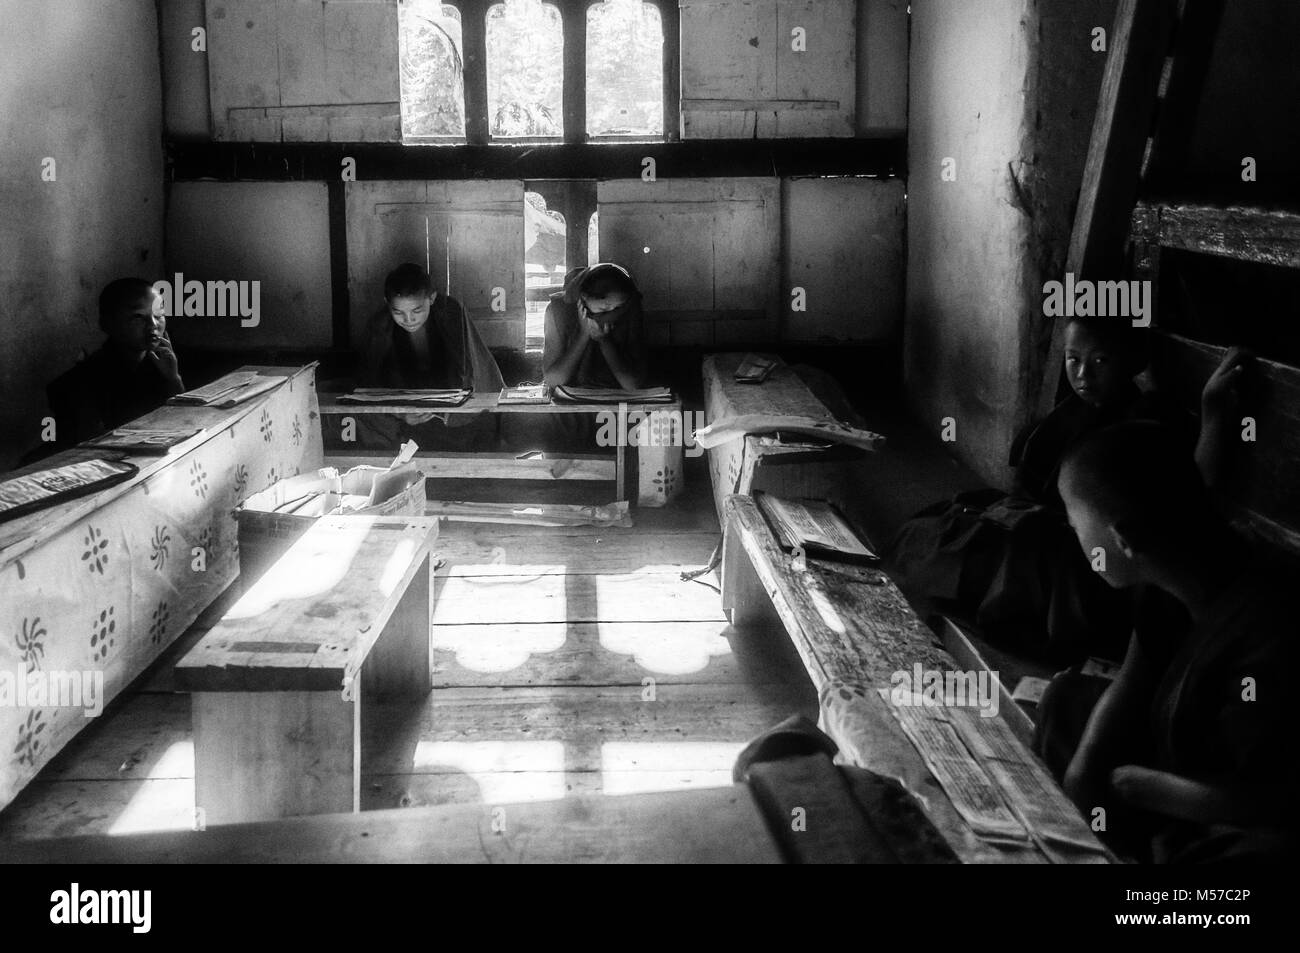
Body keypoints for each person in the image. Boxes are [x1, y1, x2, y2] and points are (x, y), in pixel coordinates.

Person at [885, 315, 1249, 663]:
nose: (1082, 374)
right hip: (1062, 528)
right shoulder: (1067, 414)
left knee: (1016, 550)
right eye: (1073, 359)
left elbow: (1184, 495)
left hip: (1096, 548)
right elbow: (1029, 485)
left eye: (1100, 360)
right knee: (955, 519)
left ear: (1134, 360)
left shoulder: (1151, 419)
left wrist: (1213, 416)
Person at [1042, 421, 1297, 863]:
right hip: (1177, 761)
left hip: (1245, 807)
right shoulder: (1170, 572)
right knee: (1068, 702)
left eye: (1074, 521)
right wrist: (1083, 772)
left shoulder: (1270, 627)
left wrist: (1149, 789)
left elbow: (1272, 799)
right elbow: (1132, 681)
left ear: (1122, 539)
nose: (1075, 536)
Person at [353, 263, 503, 452]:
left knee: (479, 425)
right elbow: (368, 385)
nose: (409, 320)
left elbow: (474, 369)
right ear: (387, 303)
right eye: (398, 312)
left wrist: (446, 408)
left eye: (417, 311)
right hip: (403, 412)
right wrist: (400, 413)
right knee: (366, 417)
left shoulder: (451, 314)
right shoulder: (379, 326)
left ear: (431, 298)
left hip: (452, 411)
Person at [46, 278, 185, 450]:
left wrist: (173, 379)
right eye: (138, 317)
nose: (153, 325)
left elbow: (183, 423)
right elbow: (95, 446)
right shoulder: (81, 381)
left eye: (158, 315)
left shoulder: (163, 364)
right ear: (107, 324)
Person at [542, 263, 648, 391]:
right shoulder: (558, 310)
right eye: (604, 308)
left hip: (618, 403)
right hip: (568, 403)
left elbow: (633, 385)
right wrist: (583, 336)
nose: (612, 313)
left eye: (618, 308)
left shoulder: (629, 310)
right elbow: (553, 380)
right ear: (584, 297)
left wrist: (605, 341)